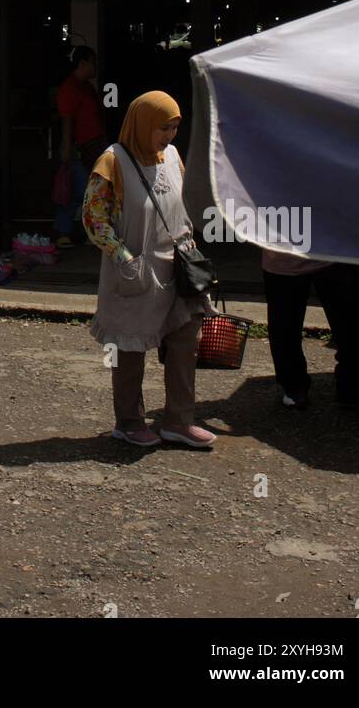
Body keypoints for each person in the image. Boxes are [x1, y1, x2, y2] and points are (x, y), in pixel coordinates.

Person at [82, 90, 216, 449]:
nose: (169, 136)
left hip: (177, 269)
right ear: (142, 124)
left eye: (173, 128)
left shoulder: (171, 156)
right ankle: (129, 422)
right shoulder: (112, 161)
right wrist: (124, 257)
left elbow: (181, 203)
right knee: (129, 349)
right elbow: (94, 219)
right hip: (135, 271)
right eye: (163, 128)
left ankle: (179, 422)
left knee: (185, 343)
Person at [262, 249, 359, 411]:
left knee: (351, 324)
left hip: (334, 255)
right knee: (285, 327)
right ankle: (293, 387)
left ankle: (353, 387)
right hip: (283, 260)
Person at [53, 46, 107, 248]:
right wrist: (67, 147)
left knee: (90, 192)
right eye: (94, 62)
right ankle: (63, 231)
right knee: (76, 191)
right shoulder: (70, 88)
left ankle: (87, 233)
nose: (96, 66)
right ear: (83, 64)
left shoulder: (86, 87)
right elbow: (67, 119)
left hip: (92, 147)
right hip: (78, 148)